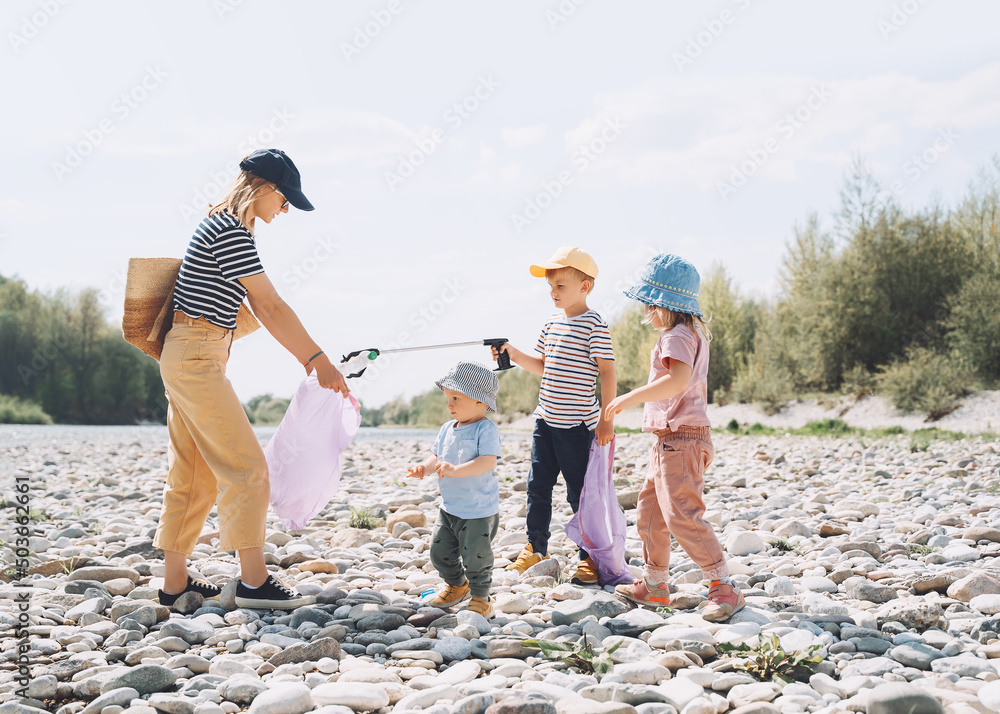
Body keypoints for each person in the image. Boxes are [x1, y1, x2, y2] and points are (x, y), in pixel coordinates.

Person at [155, 148, 349, 611]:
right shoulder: (229, 230)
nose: (284, 211)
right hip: (196, 356)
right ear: (262, 187)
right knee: (247, 468)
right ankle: (253, 582)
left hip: (190, 355)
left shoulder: (225, 227)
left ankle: (175, 583)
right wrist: (316, 358)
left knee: (196, 472)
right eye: (284, 201)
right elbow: (269, 305)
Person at [605, 254, 744, 621]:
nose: (646, 311)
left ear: (666, 305)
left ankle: (722, 586)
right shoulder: (687, 333)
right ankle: (655, 586)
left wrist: (630, 398)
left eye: (650, 304)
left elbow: (678, 382)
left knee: (683, 513)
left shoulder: (677, 336)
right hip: (669, 440)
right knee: (650, 515)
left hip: (681, 439)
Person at [493, 247, 616, 585]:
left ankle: (589, 556)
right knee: (537, 487)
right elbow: (543, 365)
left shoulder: (594, 324)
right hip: (545, 421)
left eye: (560, 285)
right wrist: (514, 354)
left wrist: (607, 416)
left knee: (580, 494)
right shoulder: (550, 323)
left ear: (585, 286)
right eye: (551, 286)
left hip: (577, 427)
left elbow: (607, 372)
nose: (553, 292)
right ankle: (536, 547)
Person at [407, 362, 502, 619]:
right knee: (439, 553)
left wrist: (455, 470)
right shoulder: (447, 429)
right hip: (449, 508)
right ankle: (458, 586)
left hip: (478, 510)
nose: (450, 405)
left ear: (481, 402)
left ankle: (482, 597)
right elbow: (436, 456)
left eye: (456, 398)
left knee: (477, 557)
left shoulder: (485, 429)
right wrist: (423, 469)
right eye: (448, 398)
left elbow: (487, 461)